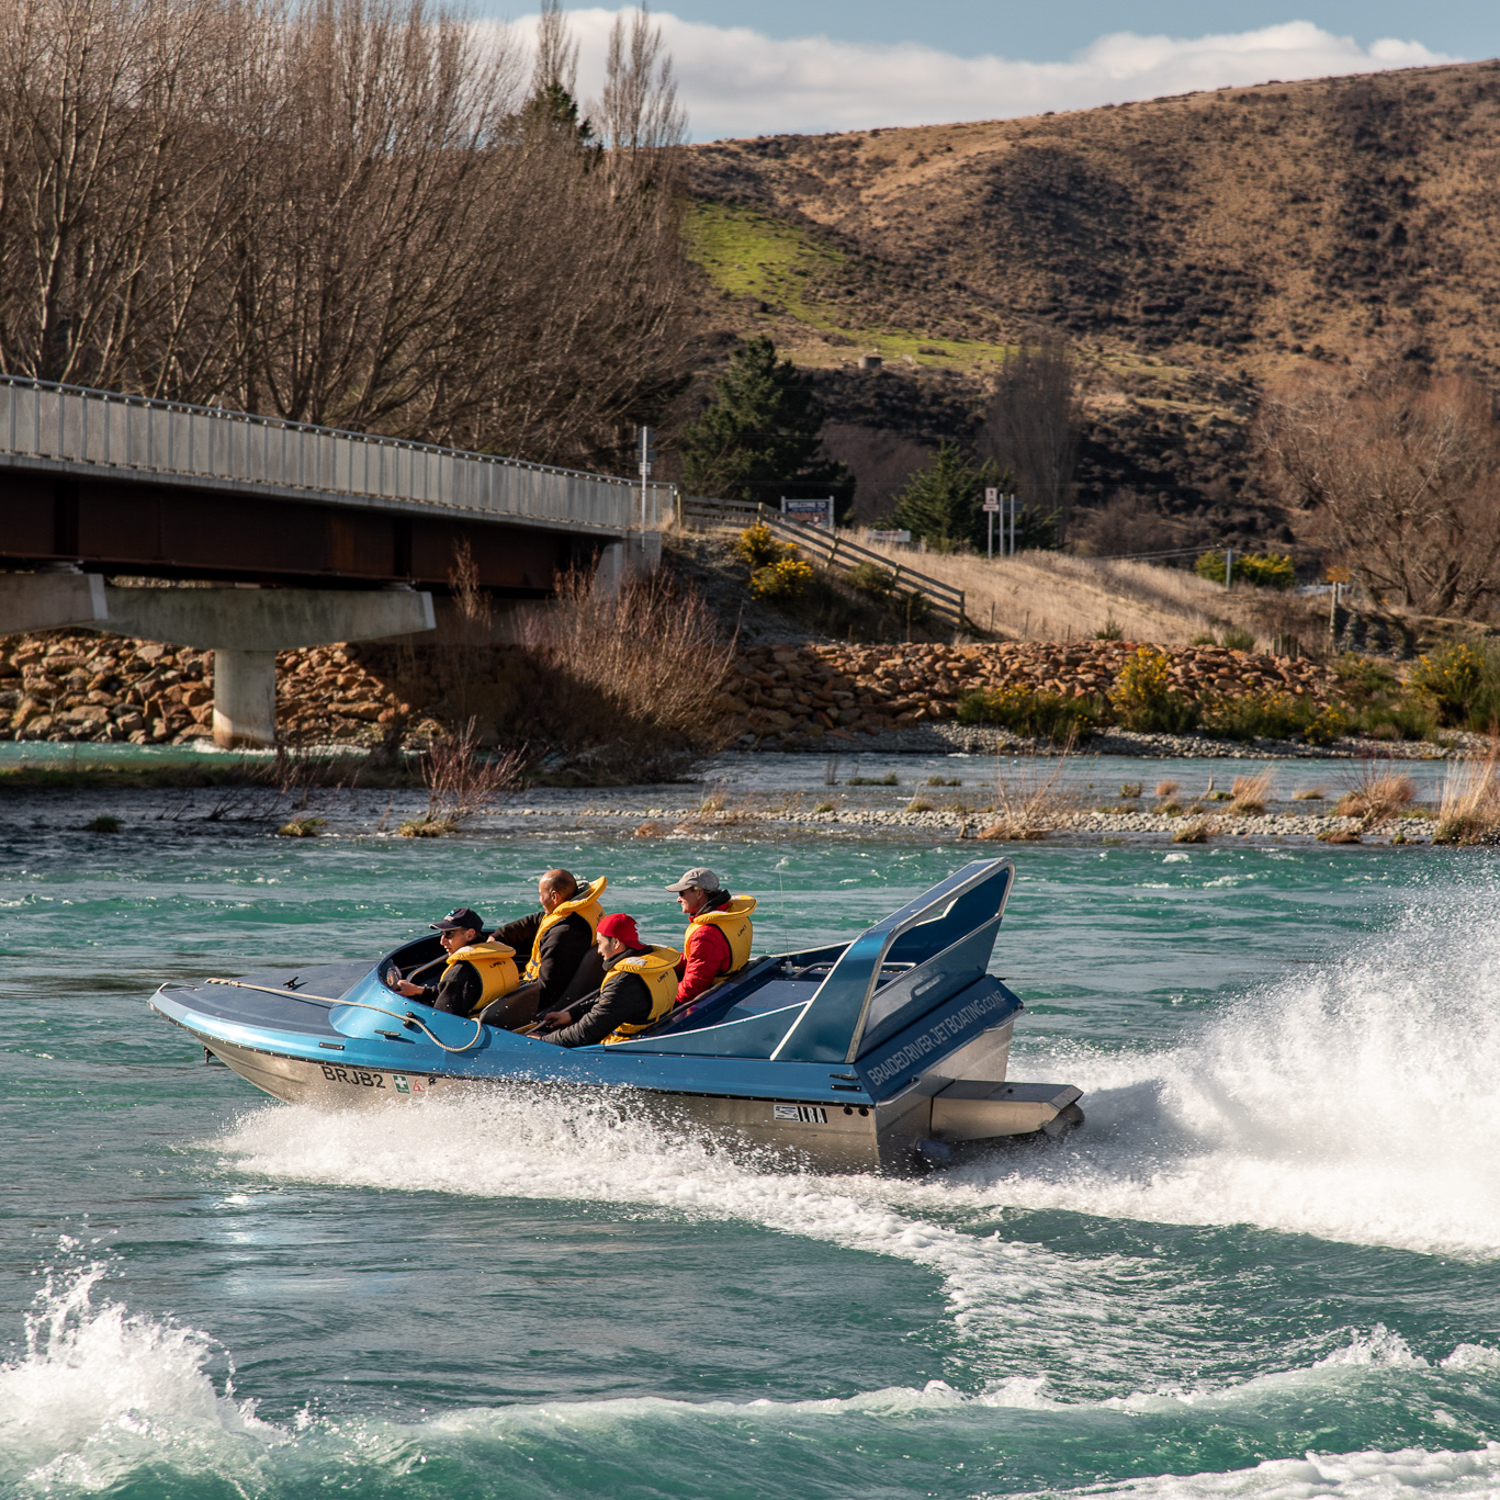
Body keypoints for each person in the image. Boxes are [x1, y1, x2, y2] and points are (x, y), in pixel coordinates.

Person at [535, 913, 679, 1047]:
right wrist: (572, 1015)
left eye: (600, 943)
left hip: (621, 1050)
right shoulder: (659, 966)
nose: (599, 950)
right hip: (656, 1033)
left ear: (616, 943)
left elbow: (585, 1033)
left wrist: (542, 1041)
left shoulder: (623, 982)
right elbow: (611, 1003)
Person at [490, 869, 608, 1027]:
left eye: (541, 895)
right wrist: (498, 936)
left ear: (554, 896)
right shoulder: (582, 909)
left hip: (547, 1004)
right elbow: (540, 920)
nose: (540, 899)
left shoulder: (562, 935)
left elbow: (546, 991)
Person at [386, 907, 519, 1016]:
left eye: (449, 934)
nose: (442, 941)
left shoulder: (460, 974)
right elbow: (456, 993)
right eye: (442, 933)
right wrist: (419, 991)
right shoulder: (504, 959)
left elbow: (441, 1019)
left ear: (470, 934)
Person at [666, 867, 757, 1007]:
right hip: (734, 984)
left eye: (682, 893)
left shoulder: (706, 934)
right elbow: (699, 956)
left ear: (699, 893)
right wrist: (664, 964)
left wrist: (663, 997)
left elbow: (690, 991)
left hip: (714, 1000)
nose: (678, 899)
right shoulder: (733, 915)